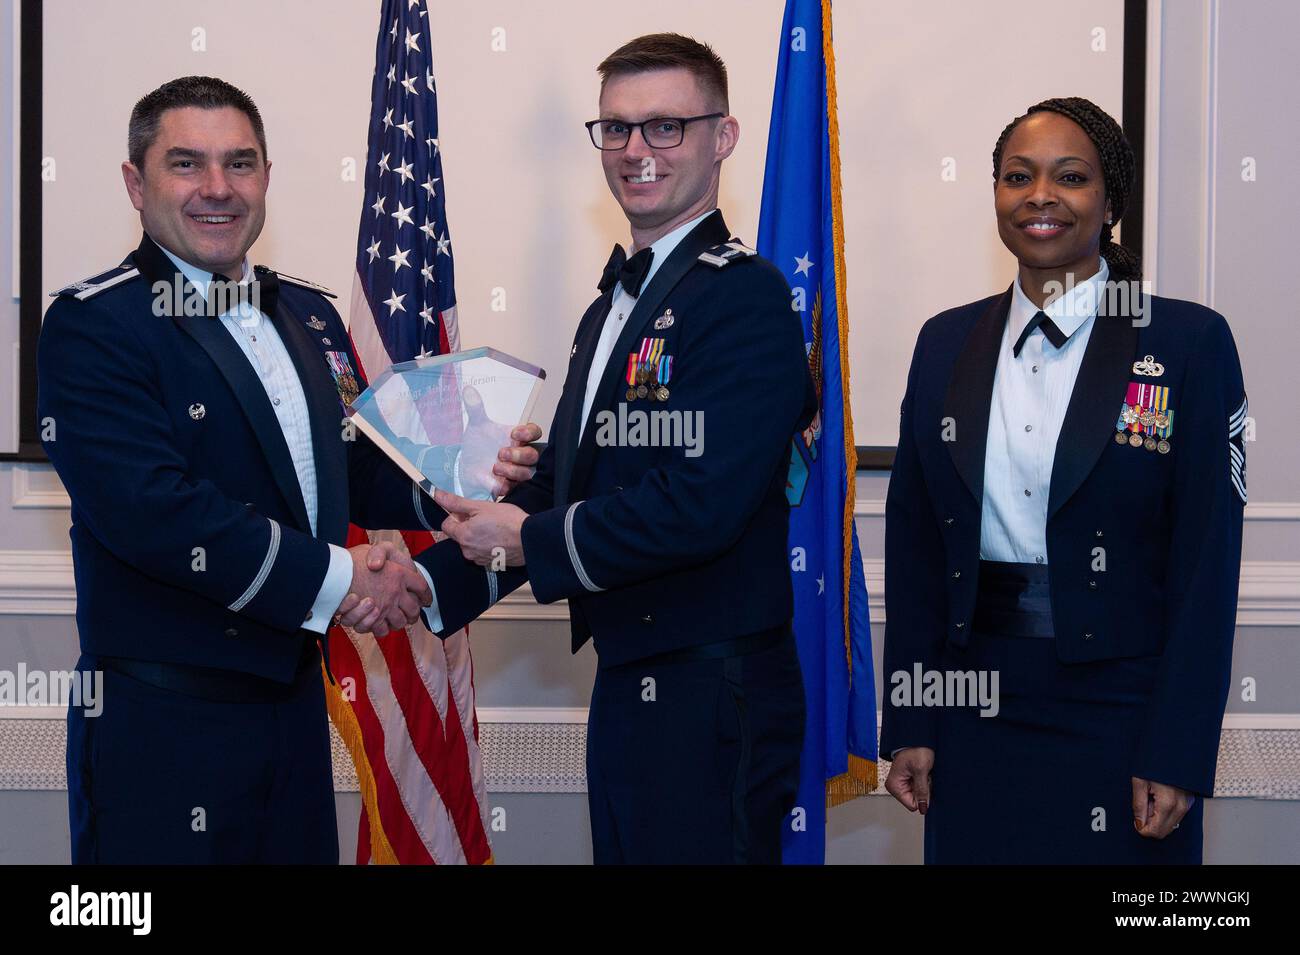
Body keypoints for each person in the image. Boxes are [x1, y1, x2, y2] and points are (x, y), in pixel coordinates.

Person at [37, 76, 539, 864]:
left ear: (267, 176)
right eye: (186, 164)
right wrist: (346, 580)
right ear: (136, 183)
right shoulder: (94, 324)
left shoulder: (307, 314)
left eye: (240, 163)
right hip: (163, 728)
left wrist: (447, 487)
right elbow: (155, 512)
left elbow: (346, 465)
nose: (217, 188)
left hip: (295, 711)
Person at [408, 34, 816, 864]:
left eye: (666, 127)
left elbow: (699, 505)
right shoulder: (614, 305)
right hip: (638, 680)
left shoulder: (746, 299)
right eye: (617, 129)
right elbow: (567, 480)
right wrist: (420, 582)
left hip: (713, 693)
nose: (636, 151)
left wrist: (526, 537)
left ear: (723, 137)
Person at [880, 97, 1247, 863]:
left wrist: (1177, 751)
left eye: (1070, 177)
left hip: (1123, 715)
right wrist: (910, 717)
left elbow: (1206, 567)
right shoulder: (944, 342)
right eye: (1018, 176)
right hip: (970, 709)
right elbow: (915, 546)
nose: (1040, 194)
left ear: (1111, 202)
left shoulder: (1188, 342)